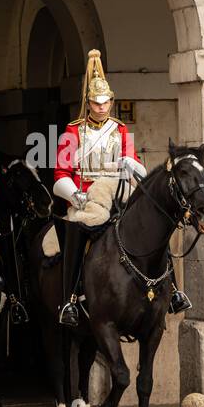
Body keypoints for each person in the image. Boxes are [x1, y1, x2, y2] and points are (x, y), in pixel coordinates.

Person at [52, 50, 146, 326]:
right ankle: (69, 299)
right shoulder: (73, 131)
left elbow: (134, 162)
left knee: (149, 224)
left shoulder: (120, 130)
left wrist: (131, 165)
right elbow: (61, 172)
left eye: (106, 103)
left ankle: (172, 290)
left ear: (112, 102)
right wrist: (74, 195)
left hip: (118, 192)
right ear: (88, 102)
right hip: (88, 197)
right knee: (78, 234)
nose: (102, 108)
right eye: (96, 103)